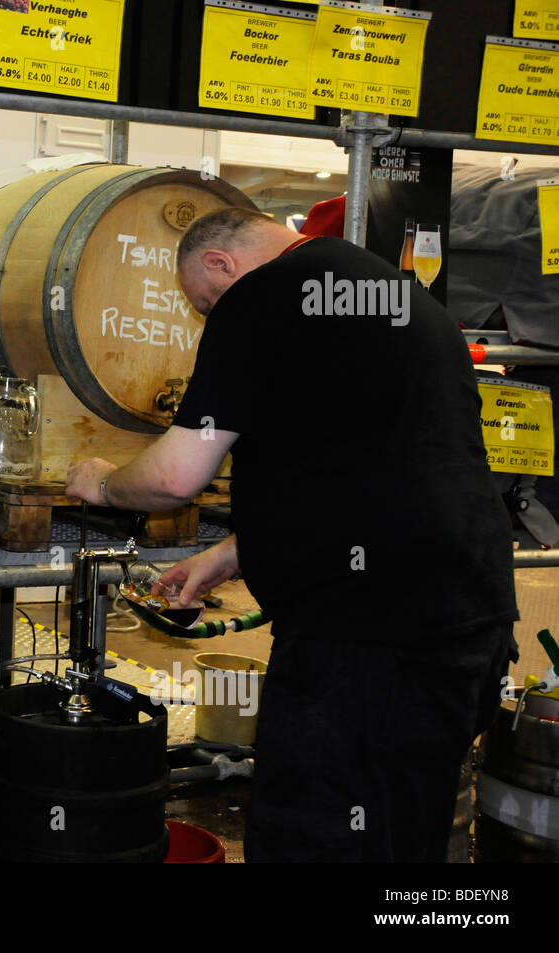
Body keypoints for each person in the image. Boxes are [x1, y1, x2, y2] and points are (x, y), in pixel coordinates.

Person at [65, 206, 518, 862]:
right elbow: (373, 463)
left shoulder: (260, 296)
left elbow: (172, 477)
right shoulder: (395, 293)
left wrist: (102, 483)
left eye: (205, 300)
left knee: (315, 834)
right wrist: (230, 554)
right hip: (467, 620)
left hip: (365, 638)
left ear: (222, 265)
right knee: (403, 834)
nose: (209, 314)